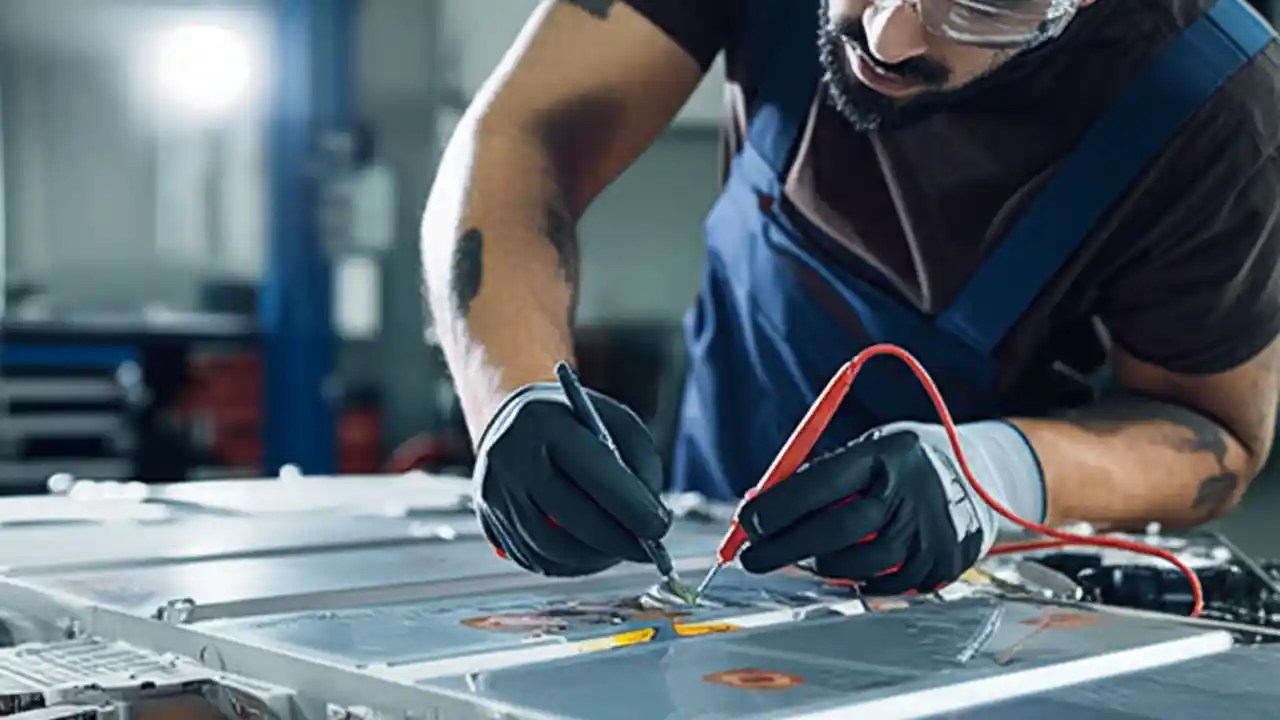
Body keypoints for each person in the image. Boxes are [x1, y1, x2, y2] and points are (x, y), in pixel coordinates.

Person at [421, 0, 1280, 592]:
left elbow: (1217, 433)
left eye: (980, 6)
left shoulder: (1212, 108)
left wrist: (985, 474)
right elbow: (522, 135)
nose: (885, 34)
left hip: (976, 593)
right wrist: (514, 391)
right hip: (700, 505)